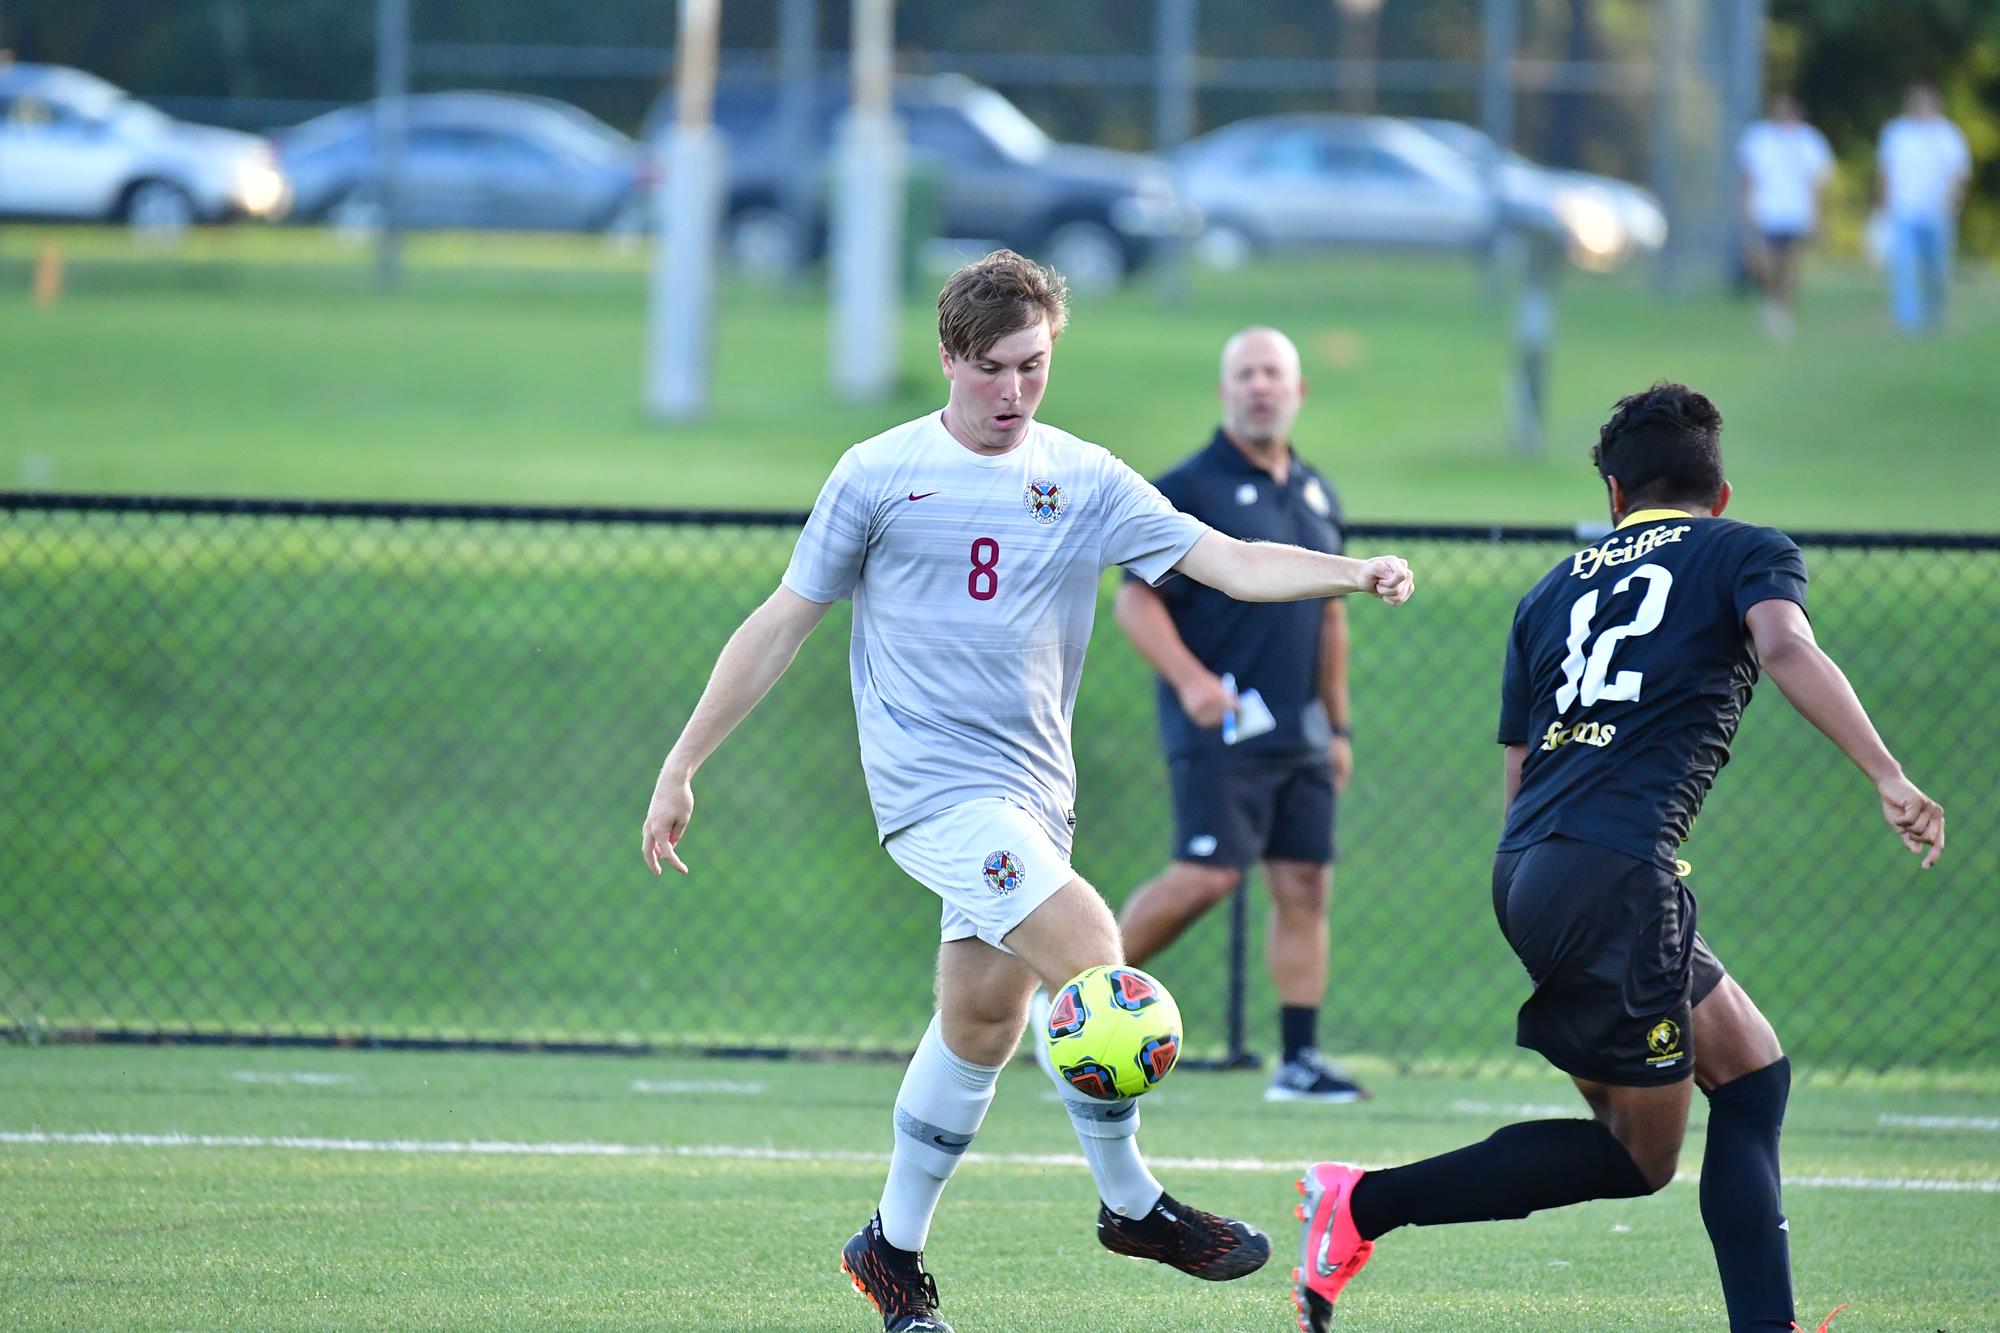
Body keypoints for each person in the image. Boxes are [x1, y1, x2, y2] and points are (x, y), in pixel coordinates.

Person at [638, 250, 1415, 1333]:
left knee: (983, 1017)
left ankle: (889, 1251)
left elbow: (1230, 561)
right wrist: (681, 765)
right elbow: (779, 623)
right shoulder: (877, 471)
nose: (1014, 392)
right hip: (931, 793)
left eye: (1034, 368)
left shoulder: (1083, 476)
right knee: (1095, 953)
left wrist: (1352, 569)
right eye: (995, 368)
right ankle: (1129, 1202)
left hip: (1031, 794)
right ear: (950, 357)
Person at [1291, 383, 1944, 1333]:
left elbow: (1521, 767)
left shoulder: (1548, 590)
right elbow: (1788, 646)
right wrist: (1887, 774)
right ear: (1719, 492)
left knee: (1754, 1076)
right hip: (1615, 876)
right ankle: (1360, 1203)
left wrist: (1554, 896)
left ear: (1612, 493)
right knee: (1639, 1159)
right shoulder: (1745, 548)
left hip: (1538, 867)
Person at [1110, 325, 1366, 1103]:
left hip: (1300, 734)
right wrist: (1190, 682)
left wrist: (1339, 723)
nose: (1260, 387)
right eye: (1245, 374)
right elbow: (1134, 601)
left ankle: (1298, 1059)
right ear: (1225, 390)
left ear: (1298, 391)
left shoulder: (1319, 492)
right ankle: (1074, 1003)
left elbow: (1329, 617)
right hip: (1219, 726)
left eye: (1273, 374)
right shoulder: (1188, 487)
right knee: (1207, 876)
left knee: (1305, 882)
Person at [1737, 95, 1834, 340]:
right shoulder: (1760, 139)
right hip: (1768, 211)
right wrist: (1747, 207)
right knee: (1766, 262)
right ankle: (1772, 301)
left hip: (1796, 213)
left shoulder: (1809, 140)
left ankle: (1783, 311)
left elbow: (1817, 182)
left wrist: (1818, 214)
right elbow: (1750, 177)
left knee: (1790, 265)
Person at [1877, 84, 1972, 334]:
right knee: (1905, 267)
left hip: (1937, 211)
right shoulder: (1897, 133)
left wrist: (1953, 200)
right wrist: (1885, 202)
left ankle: (1934, 314)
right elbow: (1886, 171)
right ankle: (1908, 322)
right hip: (1904, 208)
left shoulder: (1948, 134)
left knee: (1936, 268)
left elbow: (1959, 171)